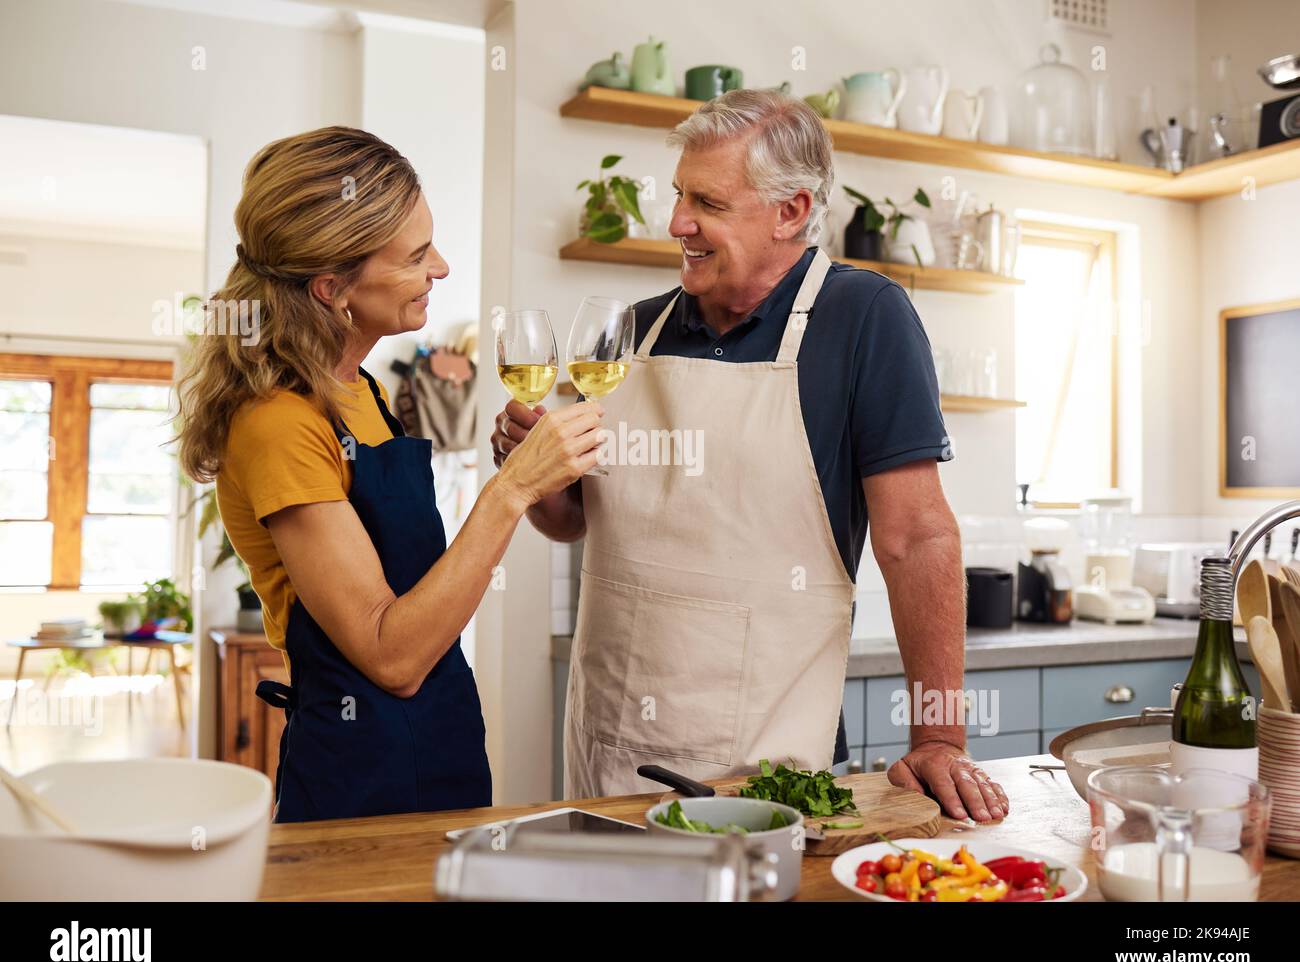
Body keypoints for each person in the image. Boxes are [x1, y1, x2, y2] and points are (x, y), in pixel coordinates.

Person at [492, 91, 1008, 823]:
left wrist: (939, 734)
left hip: (771, 769)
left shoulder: (864, 319)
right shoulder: (631, 334)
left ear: (791, 211)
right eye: (678, 194)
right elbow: (574, 520)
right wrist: (529, 471)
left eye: (706, 201)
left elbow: (917, 536)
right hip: (612, 755)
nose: (677, 223)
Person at [177, 127, 603, 822]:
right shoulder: (279, 422)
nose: (440, 267)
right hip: (357, 776)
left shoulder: (362, 389)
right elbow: (390, 654)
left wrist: (531, 480)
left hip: (441, 750)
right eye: (415, 255)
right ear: (331, 286)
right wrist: (513, 488)